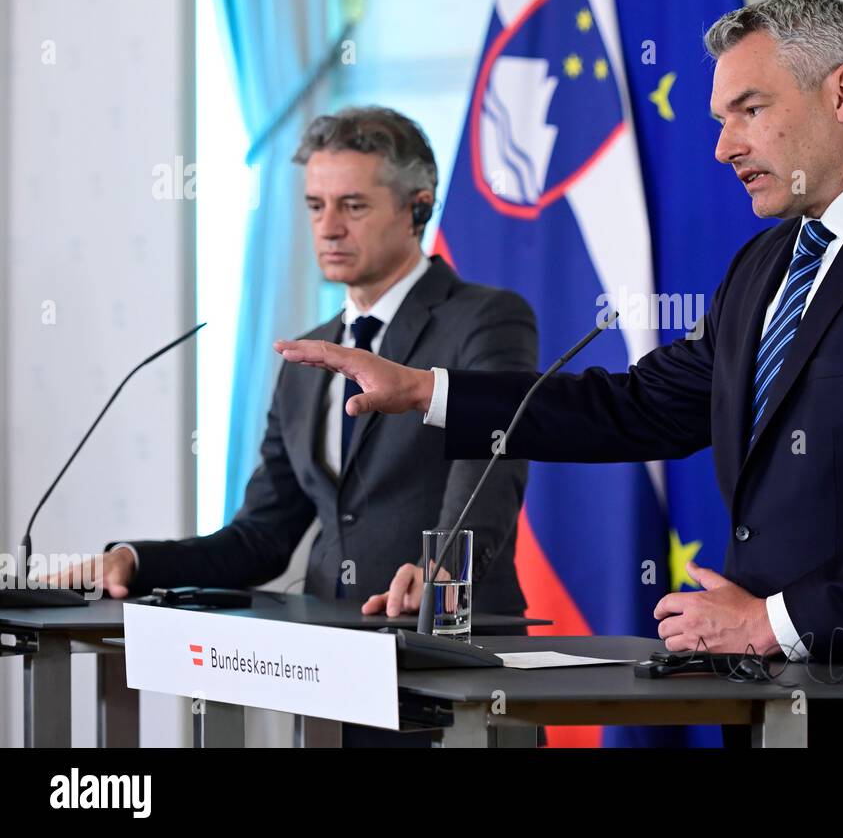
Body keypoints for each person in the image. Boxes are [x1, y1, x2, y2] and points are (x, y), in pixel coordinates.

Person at [277, 0, 843, 748]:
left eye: (749, 110)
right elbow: (639, 405)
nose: (724, 146)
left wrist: (771, 621)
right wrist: (428, 389)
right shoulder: (767, 263)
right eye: (721, 121)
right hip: (777, 711)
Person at [54, 106, 537, 623]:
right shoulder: (308, 356)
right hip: (328, 654)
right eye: (315, 205)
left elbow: (491, 463)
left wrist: (445, 569)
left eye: (352, 207)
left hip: (453, 638)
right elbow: (261, 537)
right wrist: (135, 560)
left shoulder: (485, 320)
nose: (328, 228)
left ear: (417, 210)